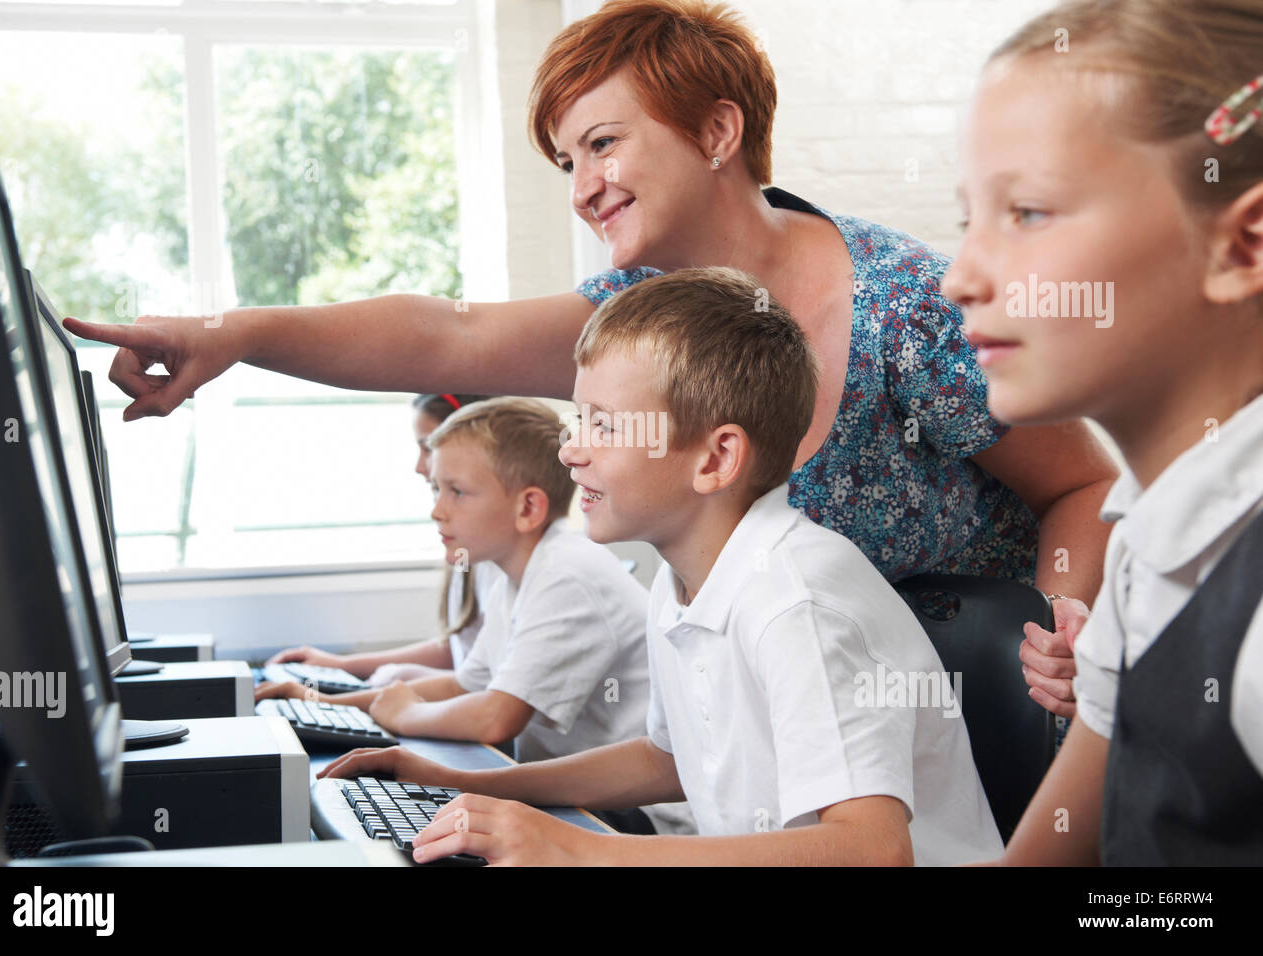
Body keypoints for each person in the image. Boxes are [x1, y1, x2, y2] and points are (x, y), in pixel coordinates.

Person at [64, 0, 1116, 719]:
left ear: (716, 131)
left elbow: (1076, 479)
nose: (581, 185)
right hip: (803, 705)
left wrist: (1061, 622)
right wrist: (234, 337)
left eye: (603, 144)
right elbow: (449, 335)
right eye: (567, 162)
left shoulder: (899, 307)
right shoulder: (643, 319)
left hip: (978, 704)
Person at [321, 268, 1005, 866]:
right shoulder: (681, 583)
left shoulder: (797, 600)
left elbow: (872, 850)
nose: (570, 452)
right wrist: (464, 783)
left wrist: (583, 851)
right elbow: (668, 761)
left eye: (604, 425)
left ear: (714, 459)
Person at [938, 0, 1263, 864]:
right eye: (967, 216)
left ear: (1243, 246)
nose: (958, 277)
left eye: (1030, 213)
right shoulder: (1147, 545)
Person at [259, 392, 501, 691]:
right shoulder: (465, 550)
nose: (420, 466)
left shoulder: (496, 553)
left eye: (428, 448)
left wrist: (396, 683)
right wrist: (341, 665)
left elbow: (485, 678)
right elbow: (460, 645)